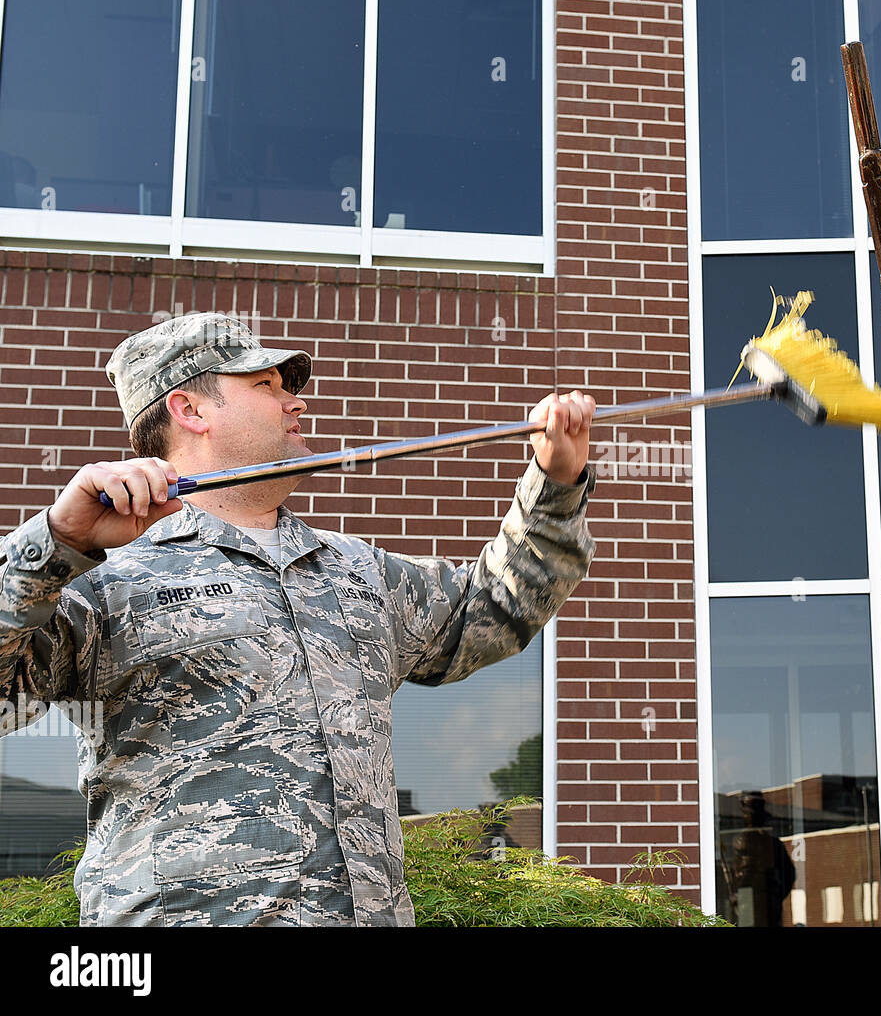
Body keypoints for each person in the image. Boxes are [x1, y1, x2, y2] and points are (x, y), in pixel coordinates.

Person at [0, 312, 596, 926]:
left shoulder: (358, 572)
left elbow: (494, 608)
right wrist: (55, 541)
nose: (296, 403)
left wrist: (557, 482)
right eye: (267, 387)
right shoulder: (99, 576)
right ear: (189, 409)